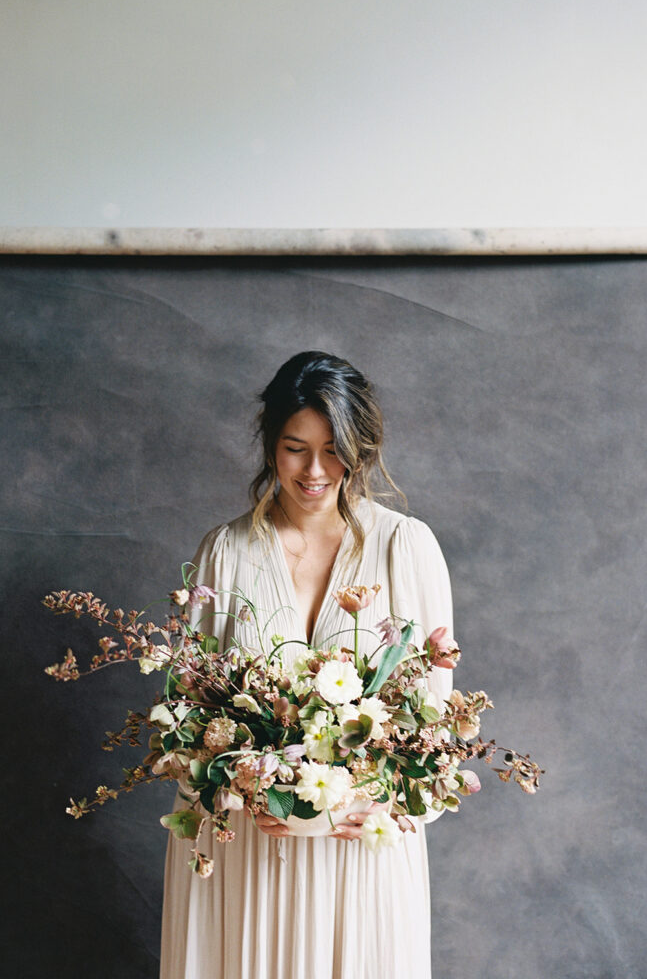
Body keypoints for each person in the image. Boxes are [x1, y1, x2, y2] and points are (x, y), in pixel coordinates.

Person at [159, 350, 454, 979]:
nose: (315, 471)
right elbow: (187, 715)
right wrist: (235, 788)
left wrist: (379, 803)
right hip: (249, 853)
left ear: (361, 449)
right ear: (271, 446)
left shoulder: (405, 547)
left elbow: (436, 722)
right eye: (296, 449)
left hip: (361, 854)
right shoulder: (225, 553)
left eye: (333, 450)